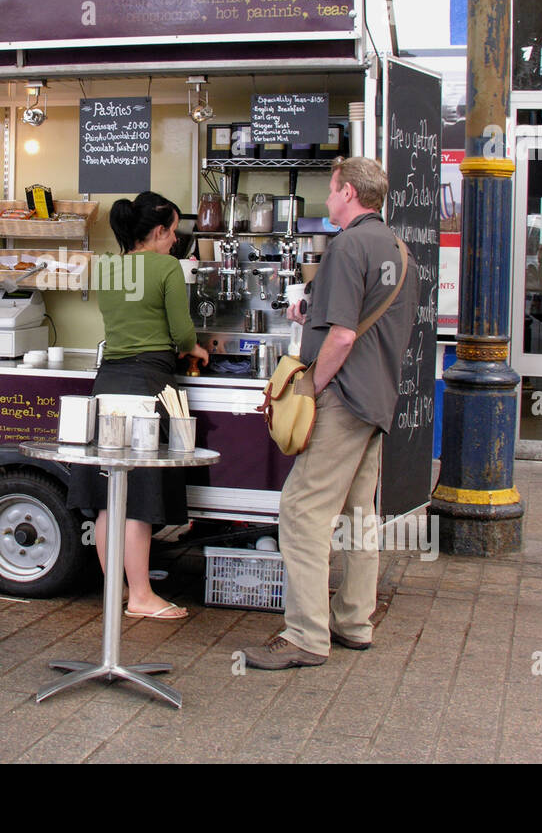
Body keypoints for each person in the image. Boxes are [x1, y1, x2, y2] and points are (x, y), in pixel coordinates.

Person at [242, 157, 417, 669]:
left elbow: (342, 335)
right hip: (378, 398)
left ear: (348, 192)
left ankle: (305, 635)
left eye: (332, 188)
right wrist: (309, 308)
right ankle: (354, 622)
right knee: (360, 517)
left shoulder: (346, 245)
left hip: (342, 397)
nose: (328, 197)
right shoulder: (399, 249)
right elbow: (363, 317)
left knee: (301, 511)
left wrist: (310, 391)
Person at [69, 191, 209, 620]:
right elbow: (182, 333)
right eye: (173, 233)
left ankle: (119, 592)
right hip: (148, 384)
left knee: (112, 496)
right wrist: (198, 351)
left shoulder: (108, 268)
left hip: (108, 381)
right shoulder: (166, 267)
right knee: (141, 500)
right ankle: (143, 597)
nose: (175, 241)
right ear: (161, 231)